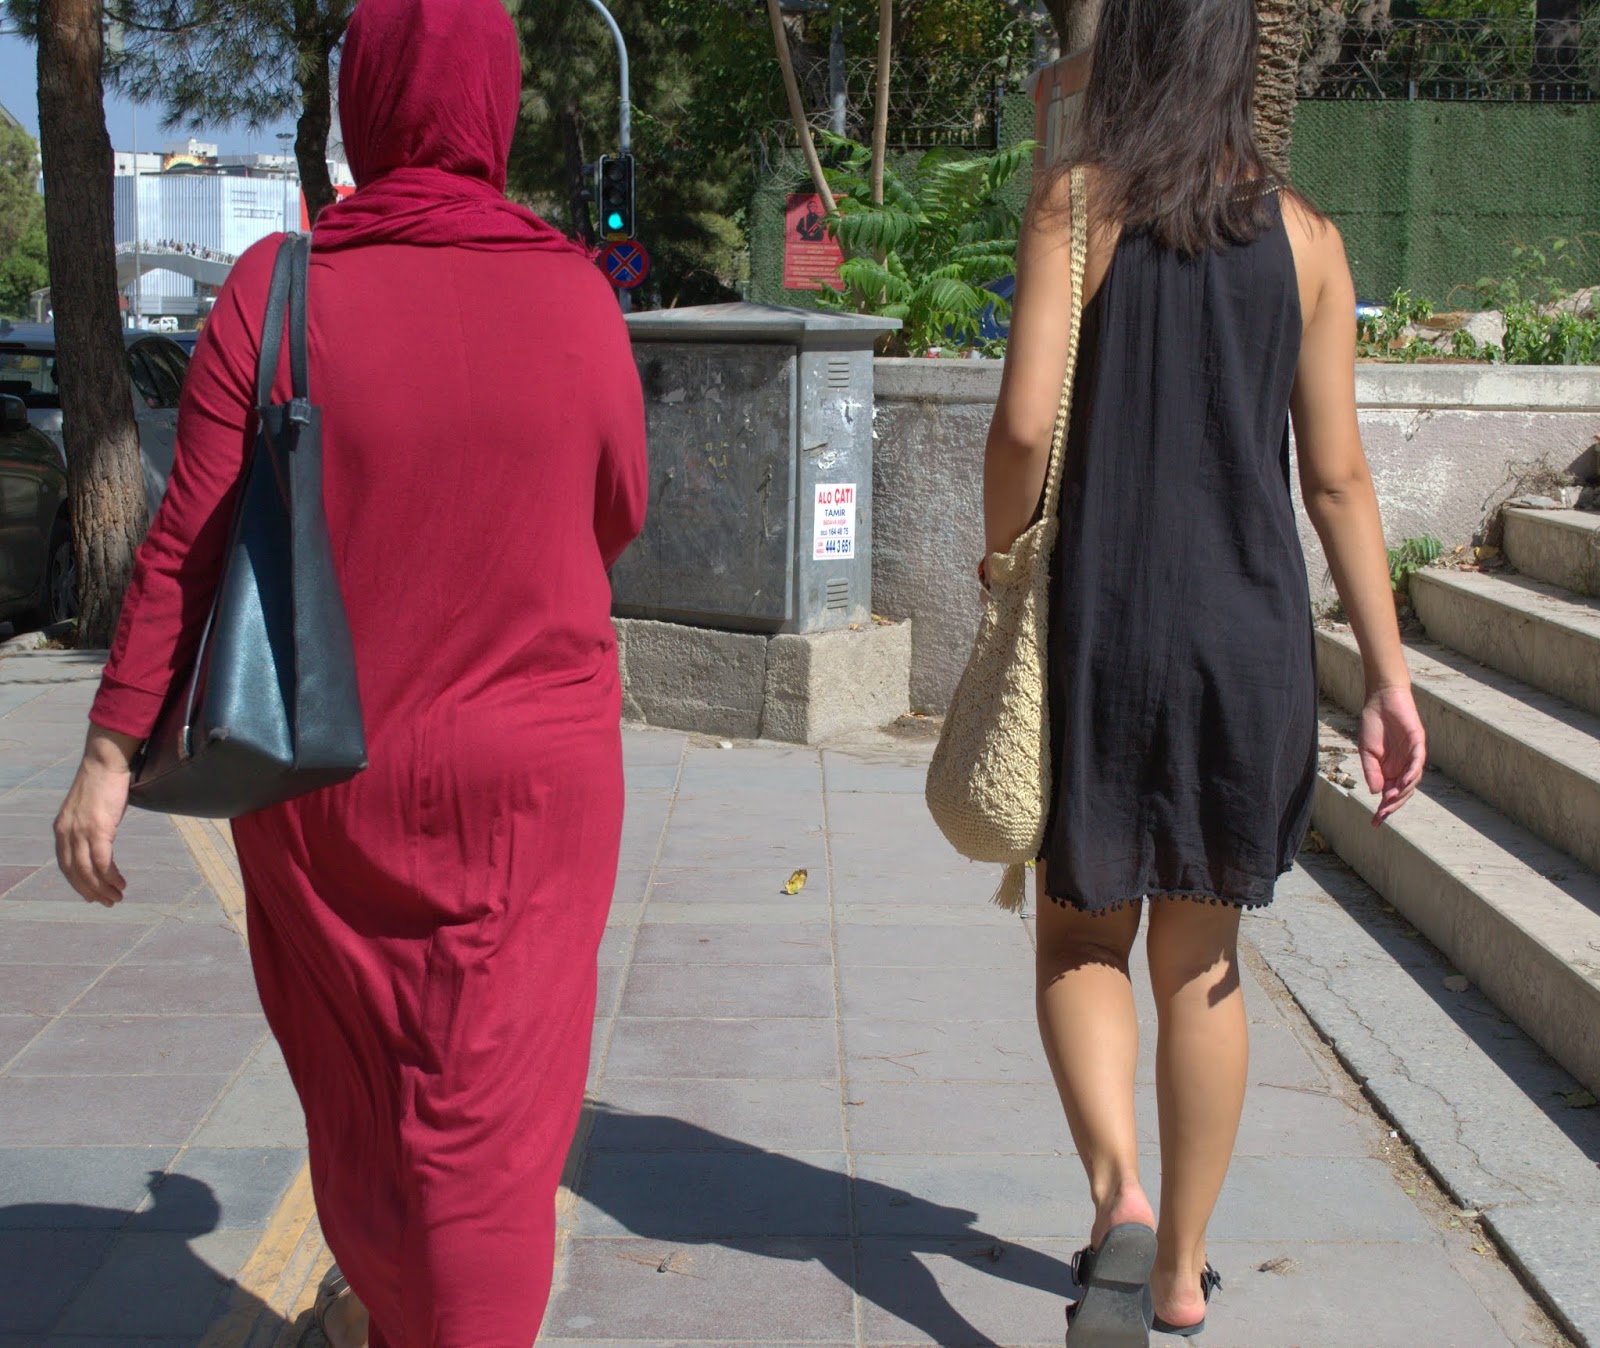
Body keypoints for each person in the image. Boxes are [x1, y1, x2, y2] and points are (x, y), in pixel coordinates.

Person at [52, 0, 648, 1343]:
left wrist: (108, 755)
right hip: (532, 793)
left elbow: (186, 545)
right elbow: (619, 509)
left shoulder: (282, 288)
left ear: (368, 102)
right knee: (489, 1123)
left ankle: (395, 1310)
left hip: (323, 771)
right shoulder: (575, 295)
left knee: (364, 1084)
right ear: (493, 107)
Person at [982, 2, 1426, 1343]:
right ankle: (1180, 1269)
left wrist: (1000, 560)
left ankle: (1118, 1197)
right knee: (1206, 954)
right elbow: (1339, 481)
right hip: (1250, 642)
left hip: (1107, 628)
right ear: (1250, 67)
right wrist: (1391, 680)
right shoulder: (1310, 244)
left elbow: (1018, 427)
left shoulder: (1079, 207)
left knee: (1079, 932)